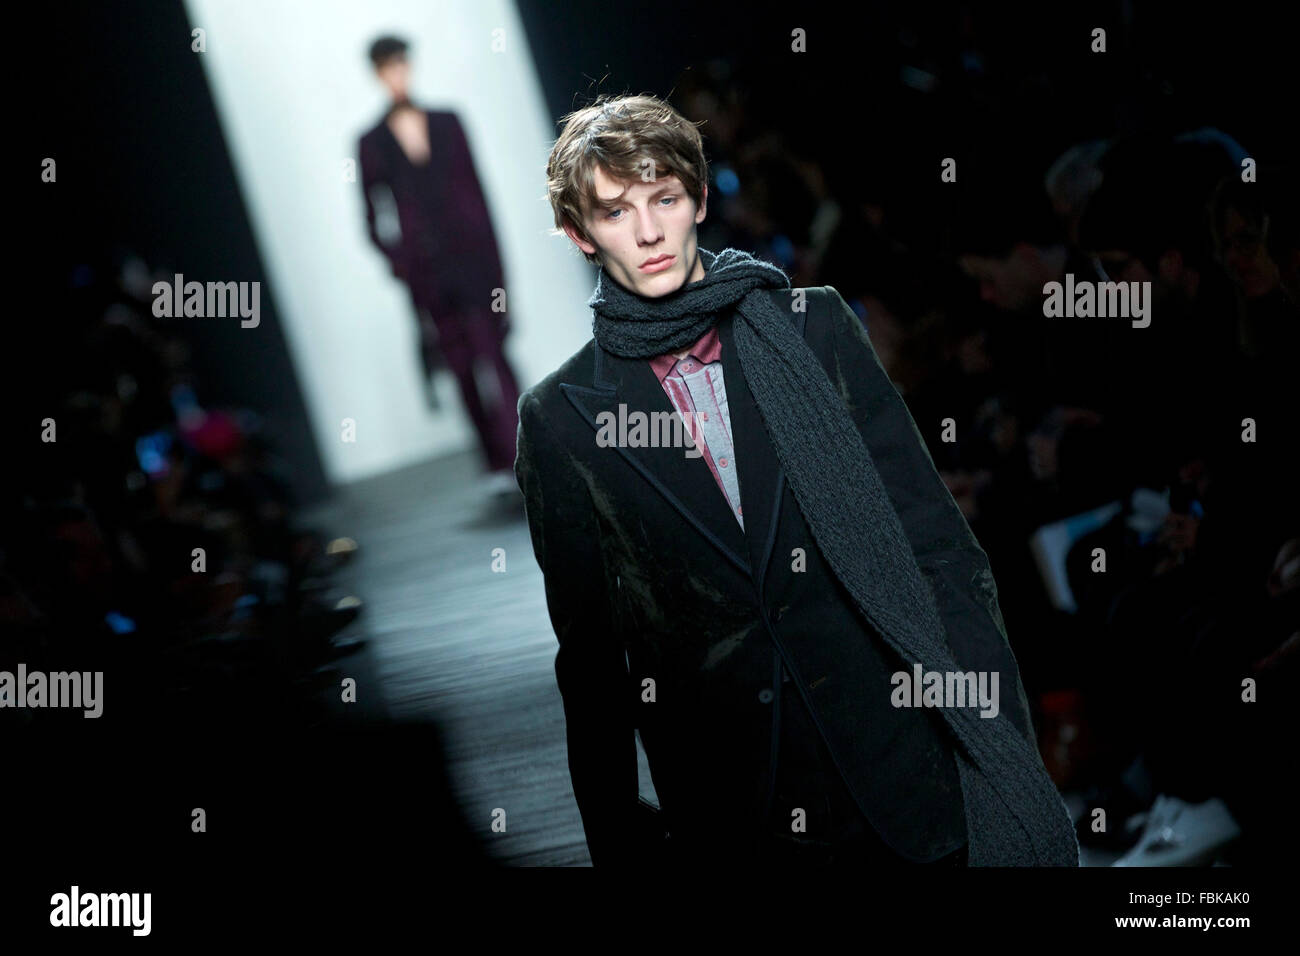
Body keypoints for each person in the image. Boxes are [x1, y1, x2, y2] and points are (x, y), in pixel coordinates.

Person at [514, 93, 1079, 867]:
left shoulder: (814, 330)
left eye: (664, 199)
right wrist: (621, 847)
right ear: (580, 235)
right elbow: (593, 670)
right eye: (615, 213)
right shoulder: (562, 420)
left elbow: (939, 551)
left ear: (700, 198)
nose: (647, 232)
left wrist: (995, 744)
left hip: (901, 769)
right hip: (737, 811)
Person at [358, 35, 521, 496]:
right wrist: (401, 262)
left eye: (401, 64)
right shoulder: (371, 142)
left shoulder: (448, 122)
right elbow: (370, 217)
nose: (397, 74)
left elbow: (478, 194)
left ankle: (521, 450)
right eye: (387, 67)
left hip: (474, 260)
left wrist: (499, 267)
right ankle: (494, 462)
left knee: (495, 351)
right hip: (427, 274)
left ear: (410, 66)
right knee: (460, 363)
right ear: (377, 74)